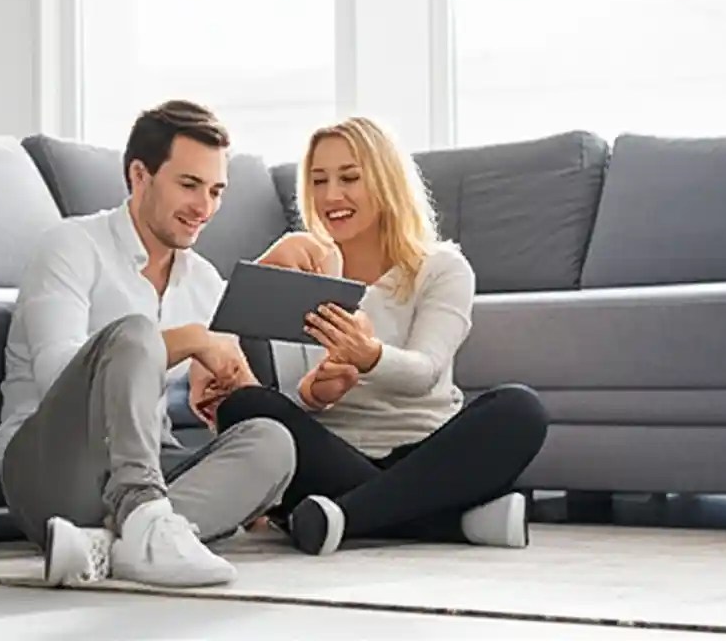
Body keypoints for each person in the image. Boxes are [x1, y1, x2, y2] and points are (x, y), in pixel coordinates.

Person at [0, 100, 307, 588]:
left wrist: (230, 391)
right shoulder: (71, 246)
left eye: (216, 191)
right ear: (140, 176)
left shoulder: (204, 282)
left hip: (152, 465)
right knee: (135, 332)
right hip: (51, 473)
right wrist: (189, 341)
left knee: (272, 443)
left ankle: (109, 545)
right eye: (189, 185)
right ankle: (143, 523)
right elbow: (56, 375)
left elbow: (236, 393)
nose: (204, 208)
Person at [203, 116, 550, 556]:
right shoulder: (307, 265)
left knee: (521, 409)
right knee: (243, 407)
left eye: (349, 178)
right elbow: (291, 393)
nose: (331, 196)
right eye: (318, 181)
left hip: (425, 452)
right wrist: (316, 393)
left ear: (386, 182)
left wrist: (370, 356)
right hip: (333, 457)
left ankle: (344, 517)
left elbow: (424, 373)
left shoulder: (442, 268)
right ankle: (448, 520)